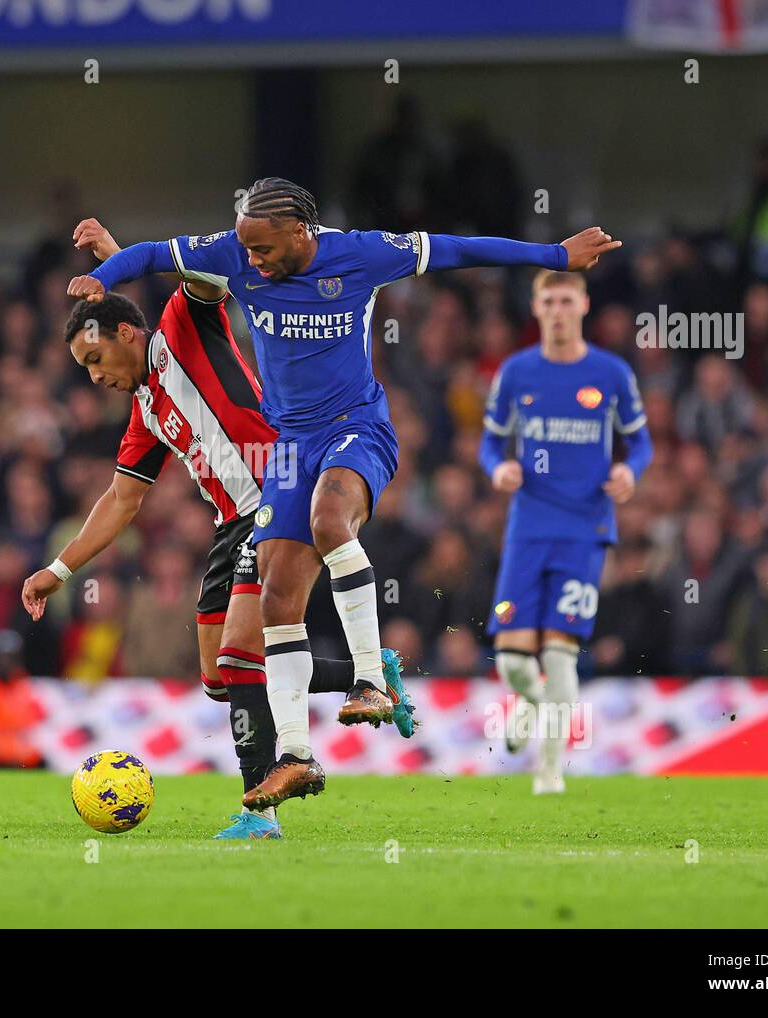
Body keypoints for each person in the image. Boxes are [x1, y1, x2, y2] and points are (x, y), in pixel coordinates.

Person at [66, 178, 619, 808]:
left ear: (302, 233)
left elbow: (456, 249)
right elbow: (151, 257)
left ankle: (369, 680)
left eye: (265, 249)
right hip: (290, 447)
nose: (253, 261)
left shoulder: (360, 254)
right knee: (276, 597)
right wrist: (104, 273)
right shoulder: (236, 251)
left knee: (332, 520)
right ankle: (298, 757)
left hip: (356, 428)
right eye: (246, 249)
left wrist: (553, 257)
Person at [24, 218, 414, 839]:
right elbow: (121, 500)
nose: (94, 376)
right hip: (232, 523)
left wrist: (115, 260)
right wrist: (58, 569)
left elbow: (198, 273)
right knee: (217, 677)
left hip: (277, 496)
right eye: (84, 368)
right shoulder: (146, 411)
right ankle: (368, 672)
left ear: (127, 332)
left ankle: (261, 814)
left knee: (239, 655)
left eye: (95, 358)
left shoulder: (183, 327)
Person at [481, 270, 652, 794]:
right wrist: (498, 470)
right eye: (548, 301)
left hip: (585, 529)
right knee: (512, 662)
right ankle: (530, 707)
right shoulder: (515, 373)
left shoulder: (611, 373)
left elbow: (640, 443)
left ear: (583, 304)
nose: (557, 309)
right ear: (536, 308)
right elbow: (490, 444)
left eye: (565, 300)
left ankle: (549, 772)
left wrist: (629, 472)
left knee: (558, 655)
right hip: (527, 529)